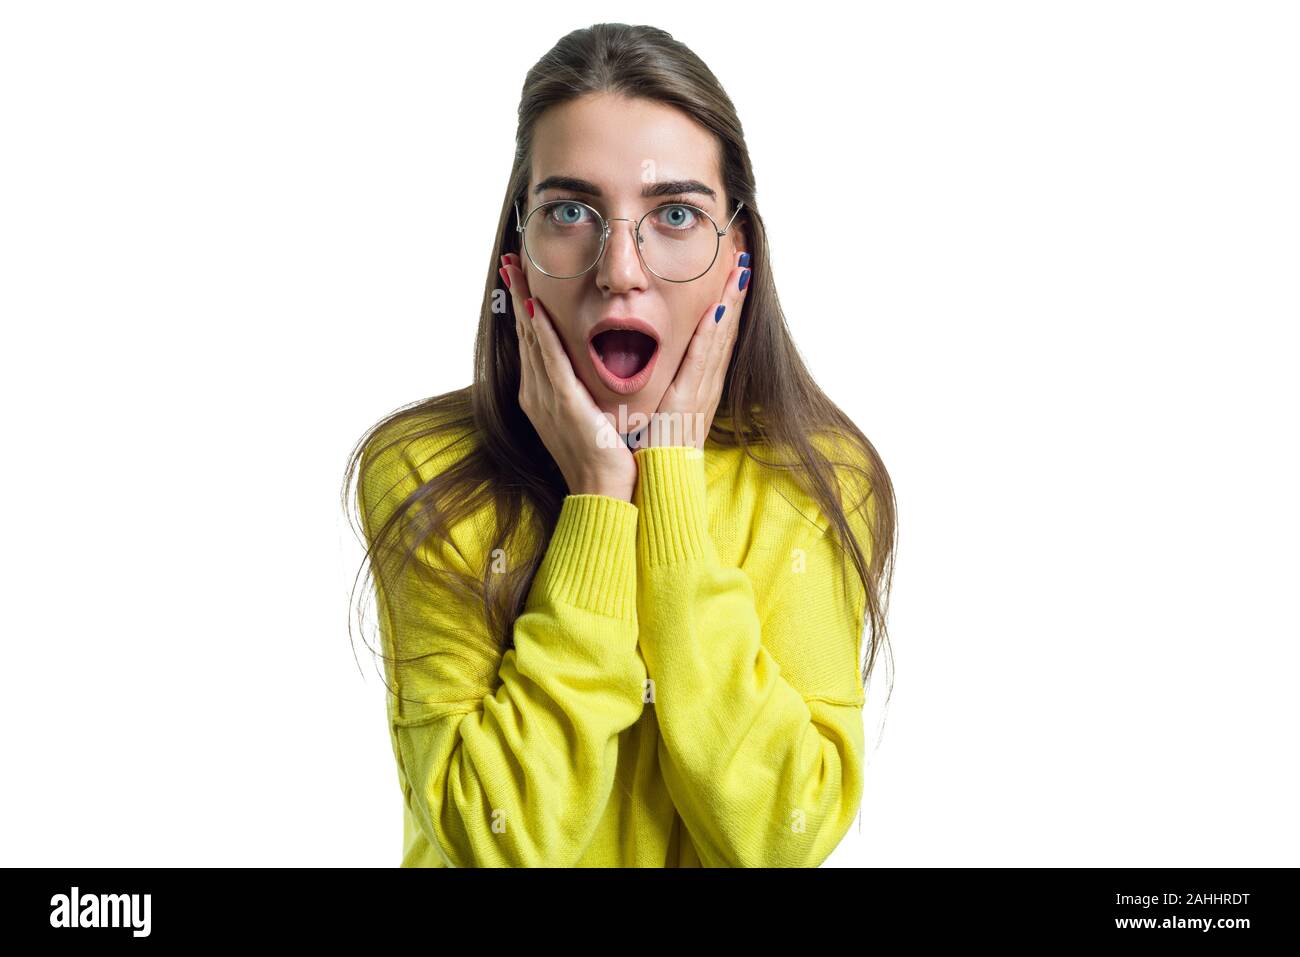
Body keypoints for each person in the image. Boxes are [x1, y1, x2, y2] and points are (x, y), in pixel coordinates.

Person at [345, 22, 897, 867]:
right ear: (517, 261)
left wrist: (669, 472)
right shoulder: (425, 471)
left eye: (675, 214)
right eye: (571, 212)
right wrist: (600, 501)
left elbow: (779, 835)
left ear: (736, 265)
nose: (621, 270)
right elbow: (500, 841)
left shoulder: (819, 480)